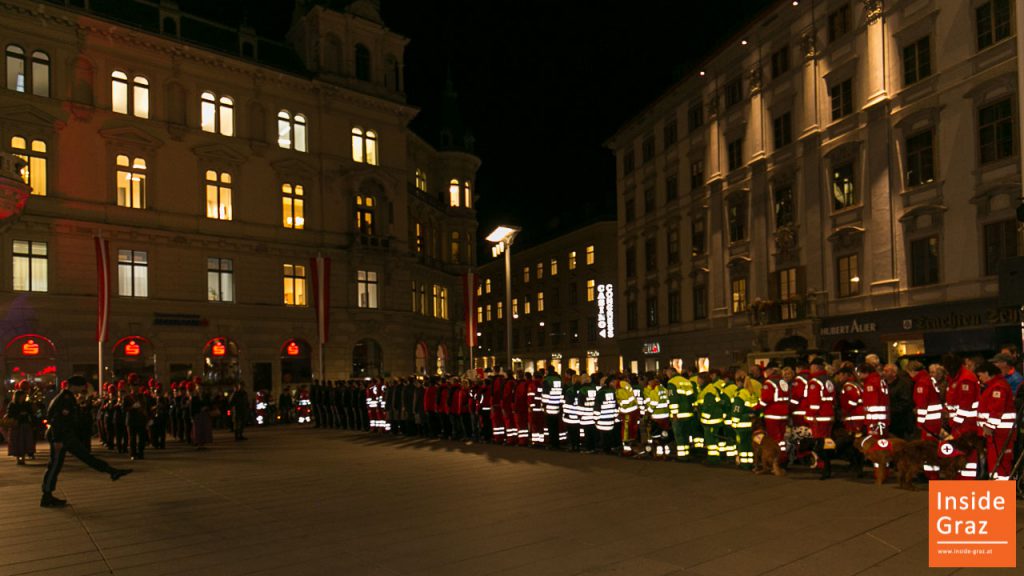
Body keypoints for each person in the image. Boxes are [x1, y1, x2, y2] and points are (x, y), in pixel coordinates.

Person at [41, 377, 131, 508]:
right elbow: (56, 420)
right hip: (61, 437)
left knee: (82, 456)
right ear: (75, 386)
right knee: (55, 465)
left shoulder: (66, 397)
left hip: (65, 435)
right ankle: (46, 496)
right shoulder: (65, 398)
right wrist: (57, 440)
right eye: (82, 386)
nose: (84, 388)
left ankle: (111, 471)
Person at [975, 361, 1017, 480]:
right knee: (996, 462)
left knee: (1001, 462)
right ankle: (997, 487)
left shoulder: (998, 387)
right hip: (996, 433)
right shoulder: (994, 386)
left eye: (980, 375)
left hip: (999, 433)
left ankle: (1002, 488)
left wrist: (989, 427)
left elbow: (996, 410)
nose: (980, 379)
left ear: (987, 373)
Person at [5, 383, 36, 465]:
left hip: (25, 424)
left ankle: (23, 458)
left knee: (25, 442)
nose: (23, 398)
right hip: (17, 425)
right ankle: (19, 458)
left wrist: (30, 412)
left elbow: (32, 413)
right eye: (22, 396)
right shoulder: (12, 404)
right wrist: (19, 414)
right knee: (18, 442)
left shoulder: (26, 404)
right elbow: (10, 414)